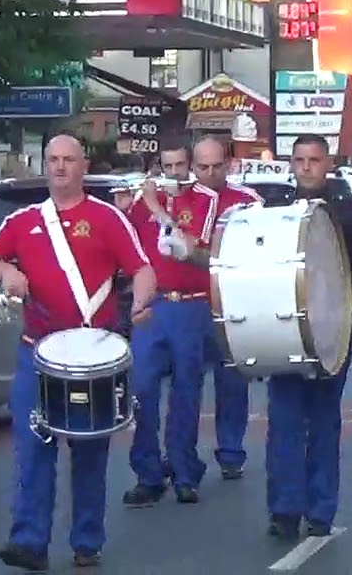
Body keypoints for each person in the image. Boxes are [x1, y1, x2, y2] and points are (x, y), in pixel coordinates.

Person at [0, 134, 155, 571]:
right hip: (36, 353)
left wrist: (140, 303)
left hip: (92, 356)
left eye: (68, 160)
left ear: (83, 166)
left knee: (89, 451)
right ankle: (29, 541)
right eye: (53, 160)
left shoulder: (107, 218)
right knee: (32, 449)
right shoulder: (23, 220)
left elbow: (141, 268)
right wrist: (5, 273)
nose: (59, 167)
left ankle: (87, 540)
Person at [253, 134, 352, 540]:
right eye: (300, 160)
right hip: (285, 326)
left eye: (314, 160)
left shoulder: (349, 210)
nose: (307, 167)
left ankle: (321, 510)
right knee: (284, 421)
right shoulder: (275, 209)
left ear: (328, 164)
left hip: (334, 326)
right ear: (291, 164)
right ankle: (284, 510)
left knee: (324, 421)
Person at [122, 141, 219, 506]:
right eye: (168, 166)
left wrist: (158, 209)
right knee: (141, 389)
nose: (175, 173)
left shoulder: (205, 199)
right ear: (158, 167)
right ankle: (148, 474)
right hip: (153, 305)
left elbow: (195, 247)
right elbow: (125, 246)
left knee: (186, 392)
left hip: (192, 306)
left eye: (180, 165)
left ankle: (184, 471)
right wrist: (128, 207)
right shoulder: (141, 202)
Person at [190, 136, 263, 480]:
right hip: (190, 303)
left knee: (232, 382)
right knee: (185, 388)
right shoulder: (179, 200)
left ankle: (231, 451)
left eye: (217, 166)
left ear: (230, 164)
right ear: (193, 167)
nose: (210, 173)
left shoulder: (248, 203)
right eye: (202, 167)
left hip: (232, 305)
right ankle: (182, 459)